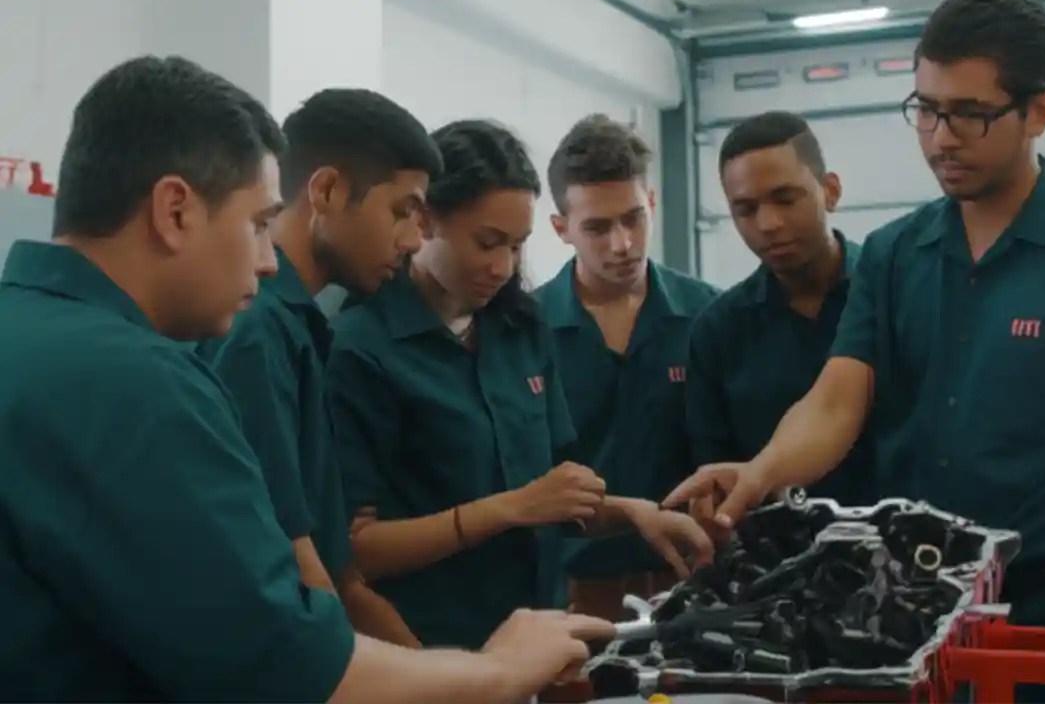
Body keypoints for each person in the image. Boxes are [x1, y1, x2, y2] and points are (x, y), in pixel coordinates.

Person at [0, 55, 613, 703]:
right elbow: (284, 662)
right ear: (175, 209)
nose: (268, 261)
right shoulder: (137, 381)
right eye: (259, 223)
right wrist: (502, 672)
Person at [667, 0, 1045, 637]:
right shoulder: (895, 258)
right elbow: (836, 401)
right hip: (924, 605)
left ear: (1040, 110)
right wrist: (761, 473)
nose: (940, 140)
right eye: (926, 110)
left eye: (969, 115)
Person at [327, 119, 713, 650]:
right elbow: (352, 551)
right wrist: (507, 508)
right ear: (425, 219)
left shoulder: (520, 328)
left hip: (535, 639)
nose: (502, 267)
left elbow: (554, 498)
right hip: (424, 648)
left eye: (516, 246)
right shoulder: (358, 348)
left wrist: (633, 513)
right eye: (486, 243)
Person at [196, 88, 441, 647]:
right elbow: (290, 548)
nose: (411, 240)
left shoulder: (303, 328)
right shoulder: (259, 327)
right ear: (326, 190)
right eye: (401, 211)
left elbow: (340, 575)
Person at [534, 114, 720, 621]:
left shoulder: (712, 316)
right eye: (597, 227)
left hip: (694, 583)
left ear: (652, 204)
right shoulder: (523, 333)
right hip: (570, 593)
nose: (622, 244)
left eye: (633, 218)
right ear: (561, 228)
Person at [684, 111, 876, 514]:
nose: (768, 223)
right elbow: (713, 472)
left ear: (831, 191)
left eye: (786, 199)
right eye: (746, 209)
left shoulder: (893, 297)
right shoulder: (718, 331)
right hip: (776, 565)